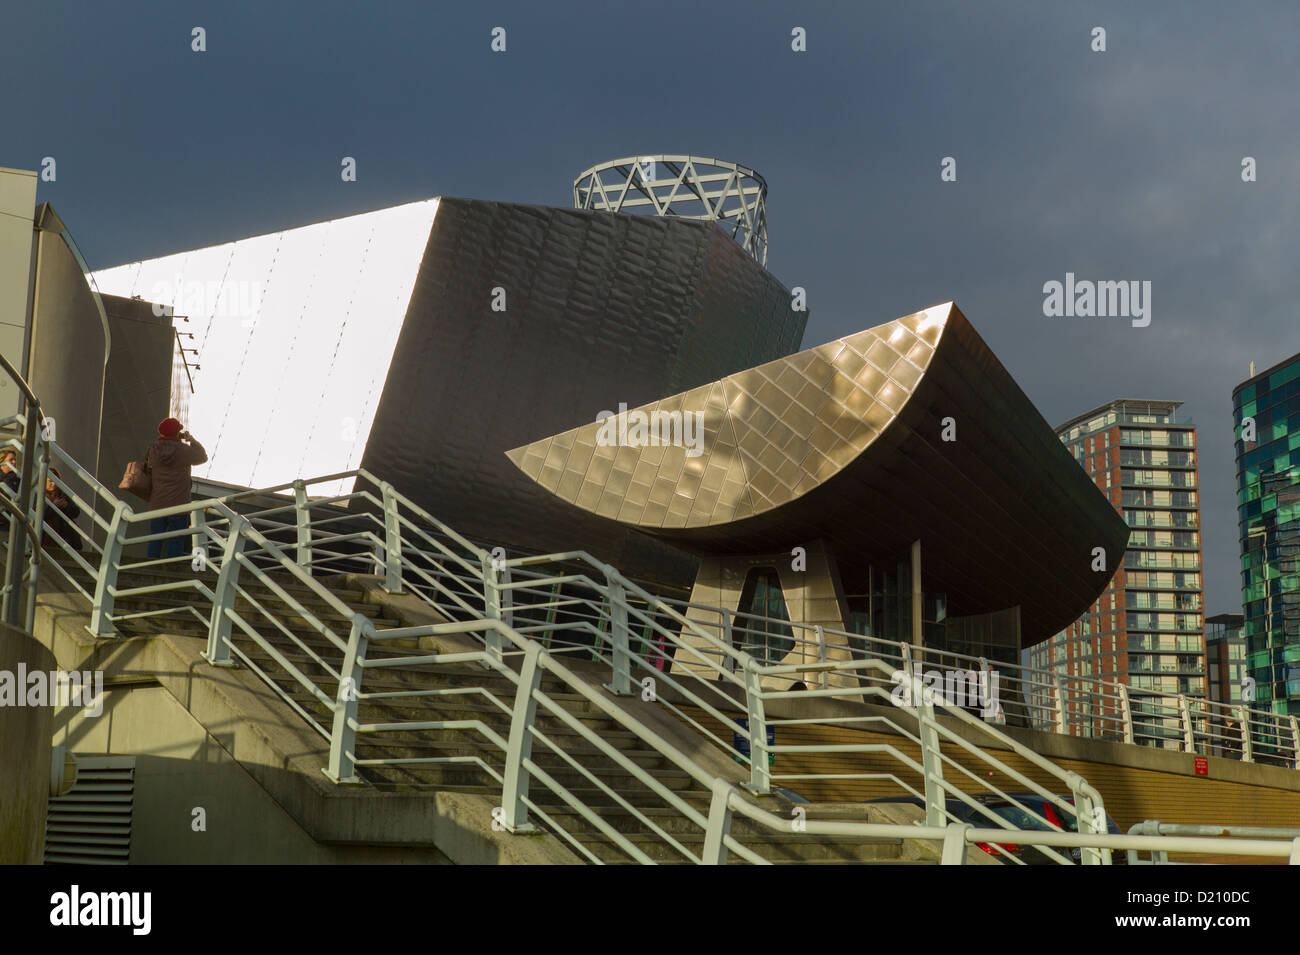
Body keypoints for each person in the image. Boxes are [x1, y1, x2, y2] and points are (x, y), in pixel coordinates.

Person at [144, 418, 208, 560]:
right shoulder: (184, 450)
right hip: (179, 503)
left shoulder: (153, 449)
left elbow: (148, 469)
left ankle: (150, 563)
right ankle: (173, 566)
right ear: (176, 433)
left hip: (157, 503)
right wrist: (191, 440)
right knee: (176, 539)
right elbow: (203, 457)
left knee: (155, 538)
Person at [41, 467, 82, 552]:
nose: (53, 484)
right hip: (44, 536)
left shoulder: (62, 495)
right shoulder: (38, 495)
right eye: (50, 481)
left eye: (55, 481)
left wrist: (66, 506)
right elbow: (38, 515)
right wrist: (53, 506)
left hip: (63, 534)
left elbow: (76, 512)